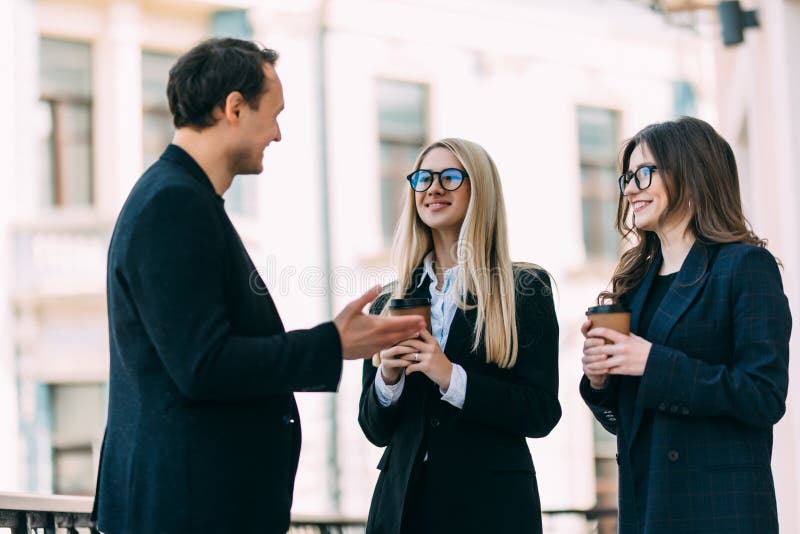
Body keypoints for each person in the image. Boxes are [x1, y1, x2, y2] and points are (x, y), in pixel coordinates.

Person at [91, 38, 425, 534]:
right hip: (188, 512)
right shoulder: (174, 205)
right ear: (234, 108)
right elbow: (203, 365)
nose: (278, 134)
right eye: (273, 114)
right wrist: (332, 344)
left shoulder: (180, 199)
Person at [580, 116, 791, 534]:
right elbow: (628, 420)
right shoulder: (635, 281)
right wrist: (601, 379)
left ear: (691, 172)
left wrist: (653, 362)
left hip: (720, 512)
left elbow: (764, 396)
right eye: (627, 177)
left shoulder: (746, 266)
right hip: (646, 507)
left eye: (644, 173)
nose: (630, 189)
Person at [358, 138, 561, 534]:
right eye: (424, 178)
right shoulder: (389, 300)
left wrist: (451, 377)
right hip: (402, 512)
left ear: (479, 189)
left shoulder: (523, 289)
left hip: (491, 511)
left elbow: (541, 412)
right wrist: (389, 380)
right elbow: (373, 429)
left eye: (450, 177)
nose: (433, 188)